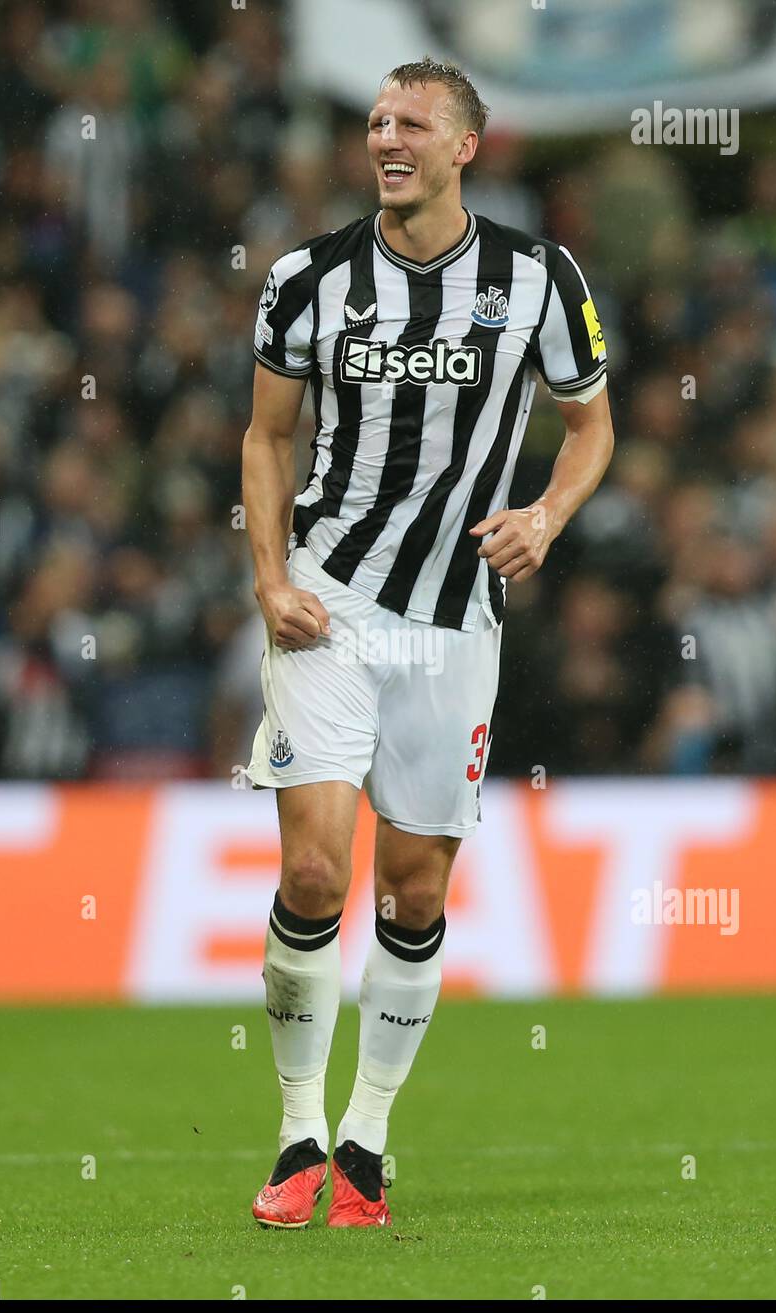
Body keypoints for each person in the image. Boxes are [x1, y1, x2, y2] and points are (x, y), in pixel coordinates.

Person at [241, 56, 614, 1229]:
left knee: (412, 892)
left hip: (453, 618)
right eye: (374, 122)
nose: (386, 139)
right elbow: (267, 438)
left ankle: (366, 1137)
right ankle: (297, 1129)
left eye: (411, 122)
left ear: (465, 146)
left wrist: (546, 515)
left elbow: (591, 425)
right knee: (315, 870)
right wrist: (268, 579)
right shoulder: (307, 279)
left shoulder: (539, 278)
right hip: (330, 604)